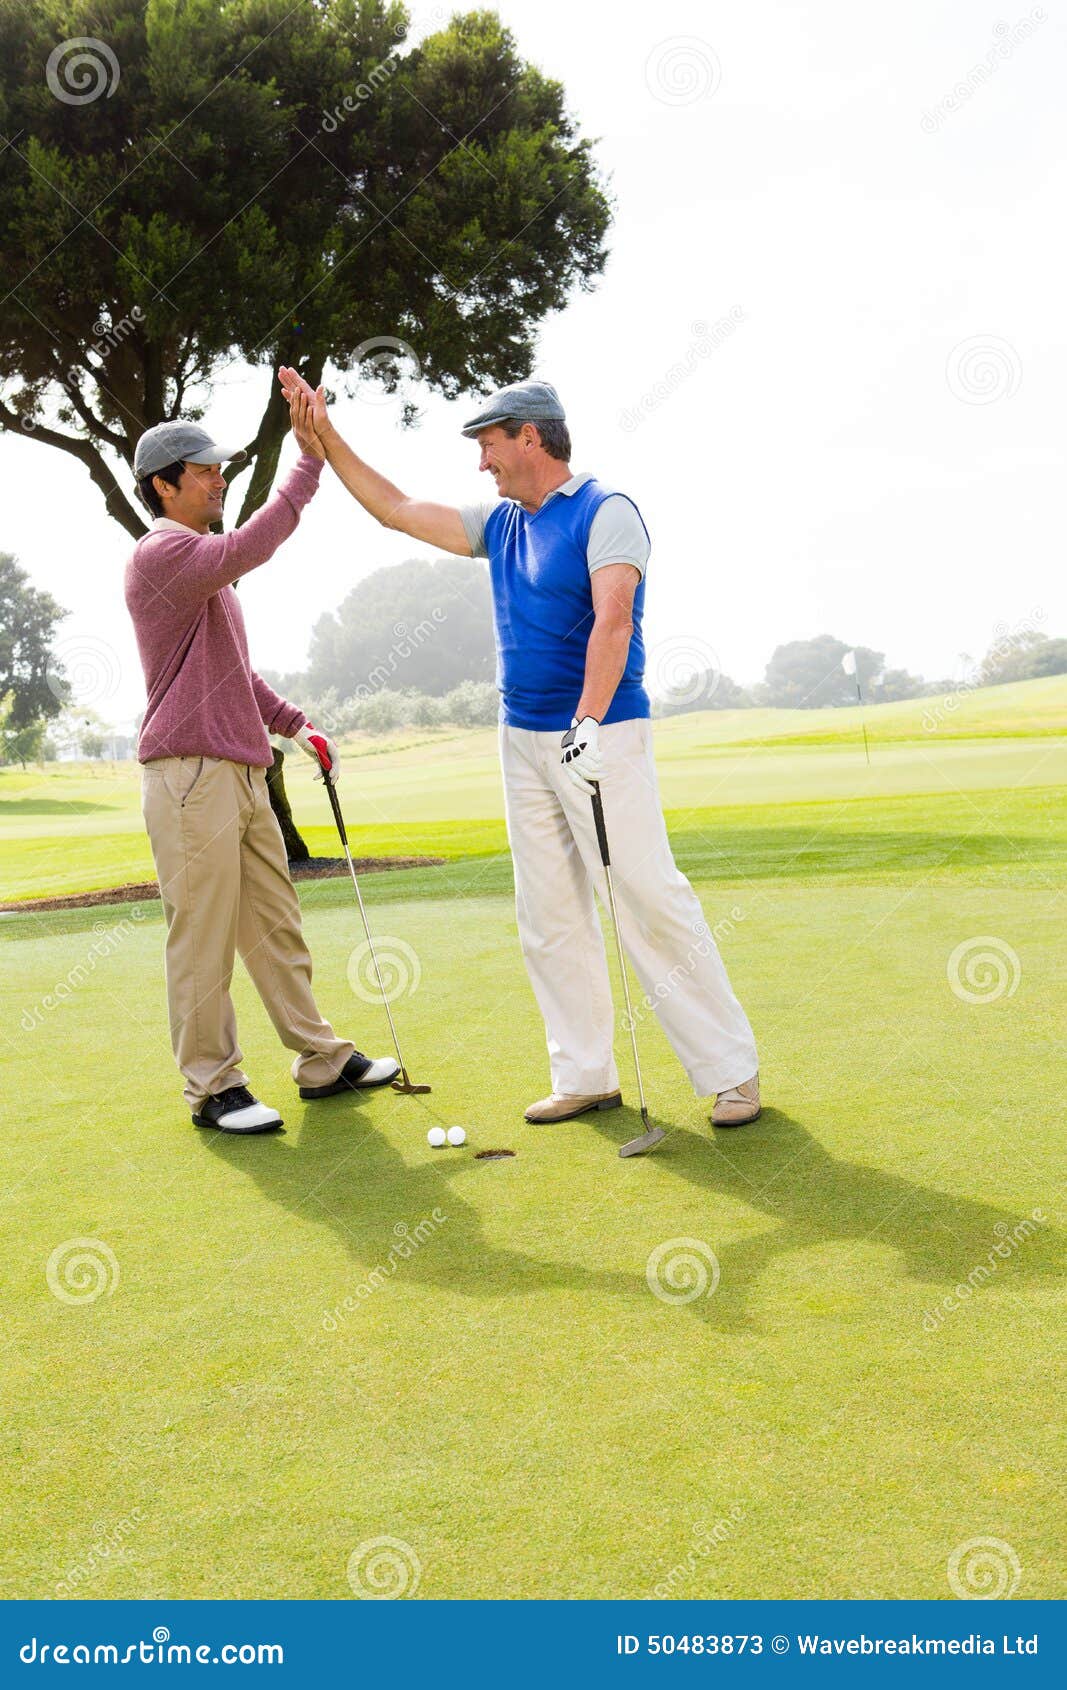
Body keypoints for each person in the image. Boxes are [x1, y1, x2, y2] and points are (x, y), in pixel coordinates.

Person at [276, 368, 760, 1129]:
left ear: (530, 436)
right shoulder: (501, 524)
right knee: (548, 913)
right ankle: (585, 1075)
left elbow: (613, 622)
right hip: (521, 738)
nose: (481, 462)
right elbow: (397, 510)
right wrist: (323, 435)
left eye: (489, 445)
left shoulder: (607, 511)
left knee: (645, 896)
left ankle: (731, 1073)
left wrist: (589, 726)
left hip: (602, 733)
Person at [124, 413, 399, 1133]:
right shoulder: (162, 553)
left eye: (222, 468)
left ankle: (320, 1059)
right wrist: (308, 463)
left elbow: (234, 677)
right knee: (202, 940)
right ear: (165, 484)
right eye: (206, 470)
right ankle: (214, 1089)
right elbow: (258, 542)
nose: (221, 479)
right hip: (189, 777)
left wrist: (296, 725)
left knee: (275, 926)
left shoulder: (203, 568)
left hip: (240, 773)